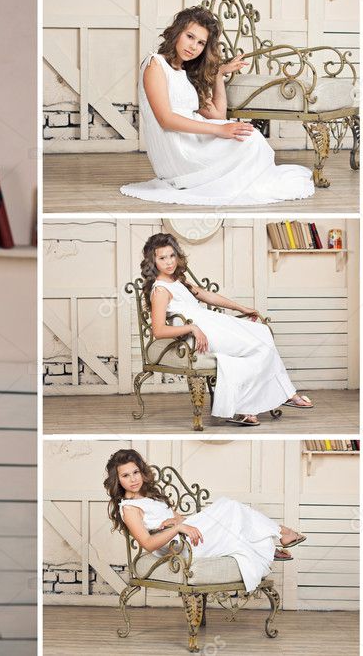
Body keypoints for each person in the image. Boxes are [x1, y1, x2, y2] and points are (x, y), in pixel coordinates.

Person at [120, 6, 315, 205]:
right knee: (250, 142)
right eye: (189, 36)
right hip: (179, 152)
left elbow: (219, 114)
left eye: (201, 43)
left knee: (251, 138)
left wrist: (219, 75)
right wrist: (220, 130)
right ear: (177, 32)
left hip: (194, 140)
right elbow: (166, 119)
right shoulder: (155, 64)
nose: (193, 46)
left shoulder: (185, 73)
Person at [141, 232, 313, 426]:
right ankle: (254, 404)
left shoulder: (178, 281)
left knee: (263, 333)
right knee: (260, 349)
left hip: (213, 323)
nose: (169, 262)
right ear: (152, 261)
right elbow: (158, 331)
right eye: (162, 258)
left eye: (172, 255)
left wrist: (241, 308)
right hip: (199, 333)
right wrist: (193, 328)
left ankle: (281, 395)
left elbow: (209, 296)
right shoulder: (161, 290)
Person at [105, 449, 307, 593]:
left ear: (141, 471)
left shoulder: (151, 497)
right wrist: (177, 527)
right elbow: (148, 544)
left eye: (135, 472)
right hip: (180, 549)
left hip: (187, 535)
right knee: (229, 506)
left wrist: (176, 522)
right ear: (118, 480)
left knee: (230, 508)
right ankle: (279, 536)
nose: (133, 479)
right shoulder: (130, 508)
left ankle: (272, 544)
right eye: (125, 475)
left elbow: (180, 519)